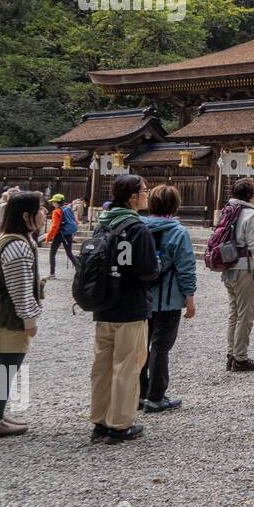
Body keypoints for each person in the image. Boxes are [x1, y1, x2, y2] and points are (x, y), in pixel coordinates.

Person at [89, 175, 158, 444]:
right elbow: (147, 271)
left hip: (103, 305)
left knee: (102, 365)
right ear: (132, 197)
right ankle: (120, 424)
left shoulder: (103, 225)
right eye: (144, 190)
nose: (146, 195)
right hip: (130, 306)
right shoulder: (136, 228)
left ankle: (100, 420)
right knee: (127, 365)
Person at [0, 191, 46, 438]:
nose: (44, 213)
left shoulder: (11, 239)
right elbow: (20, 289)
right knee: (6, 368)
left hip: (6, 315)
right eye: (40, 209)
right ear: (26, 215)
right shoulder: (18, 246)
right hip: (12, 318)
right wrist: (29, 319)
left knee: (5, 368)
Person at [139, 184, 196, 412]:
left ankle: (139, 393)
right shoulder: (178, 232)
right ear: (175, 205)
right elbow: (186, 267)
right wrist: (190, 298)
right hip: (168, 299)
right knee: (161, 347)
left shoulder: (139, 229)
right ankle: (156, 395)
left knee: (141, 346)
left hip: (142, 298)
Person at [221, 178, 254, 372]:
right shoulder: (251, 214)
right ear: (250, 194)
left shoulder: (230, 210)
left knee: (234, 314)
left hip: (228, 267)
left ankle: (231, 354)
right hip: (244, 268)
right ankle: (240, 358)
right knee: (245, 315)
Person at [40, 193, 78, 278]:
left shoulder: (56, 211)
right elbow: (76, 221)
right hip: (68, 234)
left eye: (53, 202)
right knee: (69, 253)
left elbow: (55, 226)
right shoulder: (68, 209)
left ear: (56, 202)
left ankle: (52, 274)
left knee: (52, 253)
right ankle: (80, 270)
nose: (52, 203)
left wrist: (49, 237)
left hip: (59, 234)